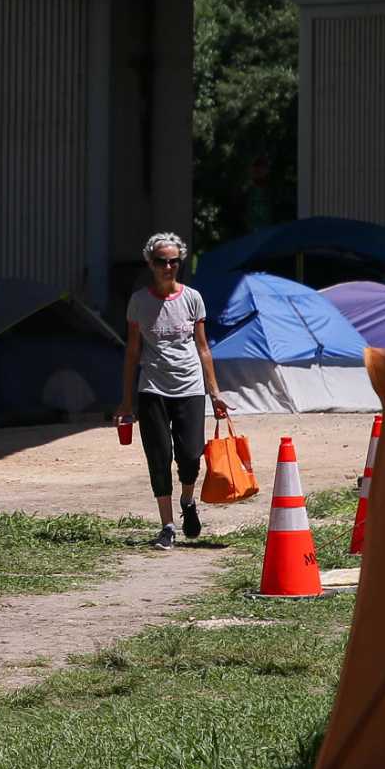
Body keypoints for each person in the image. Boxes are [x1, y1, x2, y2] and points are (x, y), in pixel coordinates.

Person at [116, 231, 229, 550]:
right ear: (150, 263)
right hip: (152, 386)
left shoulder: (192, 298)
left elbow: (203, 348)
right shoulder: (139, 301)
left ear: (180, 262)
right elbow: (133, 352)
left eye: (174, 261)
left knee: (191, 456)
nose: (168, 267)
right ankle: (167, 525)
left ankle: (188, 501)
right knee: (159, 455)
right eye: (161, 262)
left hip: (190, 387)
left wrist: (215, 392)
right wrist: (126, 401)